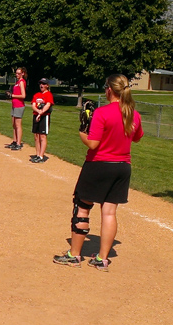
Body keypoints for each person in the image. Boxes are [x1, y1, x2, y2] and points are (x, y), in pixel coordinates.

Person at [53, 74, 143, 272]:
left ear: (109, 90)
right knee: (109, 211)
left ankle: (74, 255)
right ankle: (102, 259)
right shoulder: (133, 113)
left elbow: (93, 144)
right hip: (122, 167)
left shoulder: (103, 112)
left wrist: (82, 131)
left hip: (99, 165)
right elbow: (136, 138)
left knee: (82, 207)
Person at [29, 78, 54, 163]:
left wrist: (41, 113)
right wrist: (38, 111)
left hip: (44, 117)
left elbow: (48, 105)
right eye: (40, 83)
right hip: (36, 115)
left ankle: (41, 156)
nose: (41, 85)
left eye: (43, 84)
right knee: (36, 136)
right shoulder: (37, 94)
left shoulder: (48, 94)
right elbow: (33, 105)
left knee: (42, 136)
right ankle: (37, 154)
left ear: (47, 85)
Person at [5, 68, 27, 150]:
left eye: (18, 73)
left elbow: (23, 95)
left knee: (18, 125)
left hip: (19, 105)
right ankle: (14, 141)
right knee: (14, 124)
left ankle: (18, 143)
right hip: (14, 105)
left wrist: (12, 95)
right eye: (16, 73)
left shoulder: (21, 82)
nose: (17, 75)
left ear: (23, 74)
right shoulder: (17, 82)